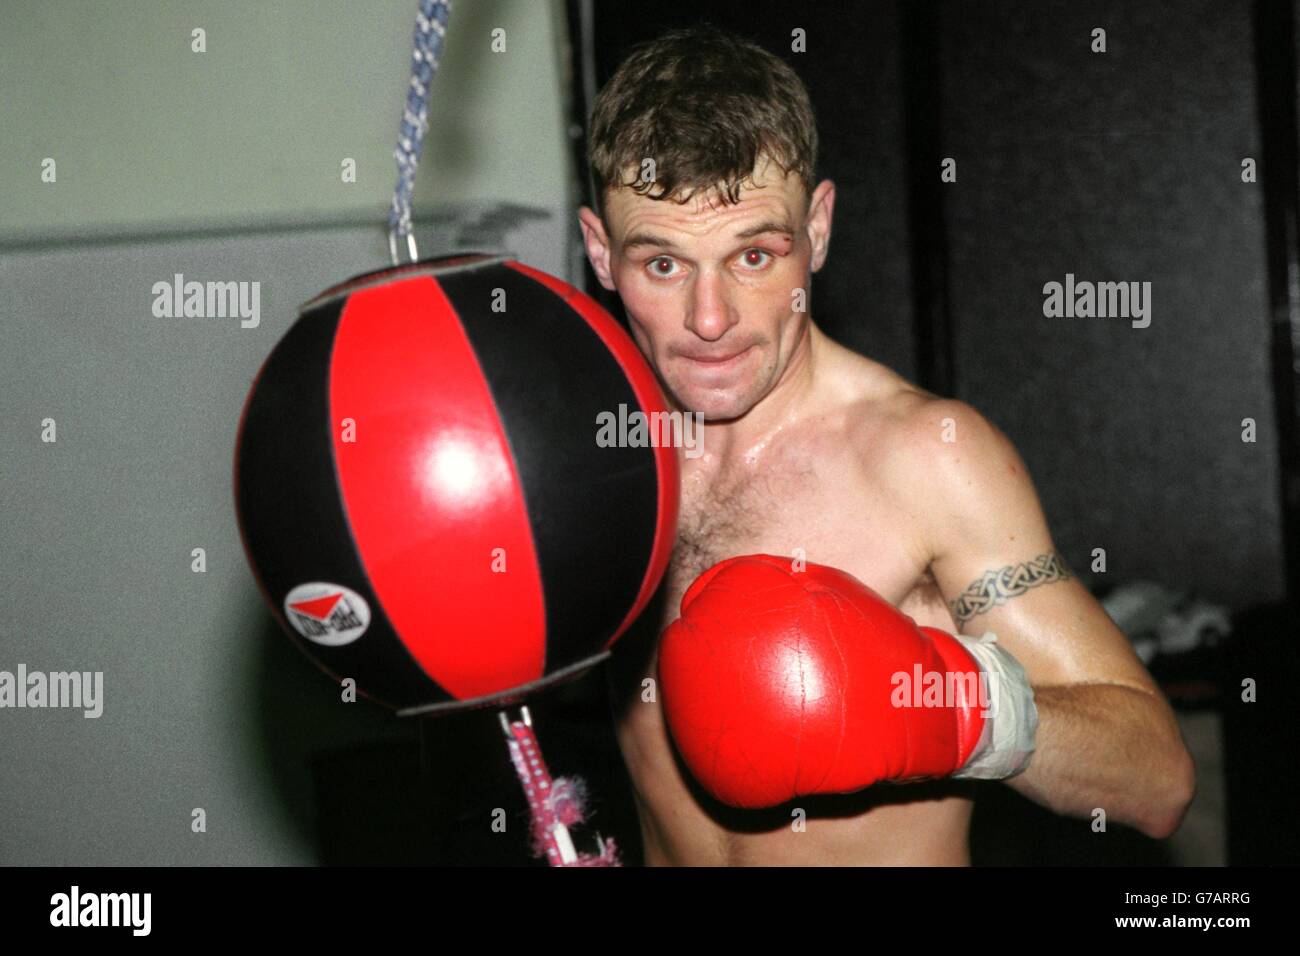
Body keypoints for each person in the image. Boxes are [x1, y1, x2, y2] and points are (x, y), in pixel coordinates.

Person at [577, 26, 1194, 866]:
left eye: (754, 254)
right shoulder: (601, 461)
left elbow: (1157, 778)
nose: (710, 319)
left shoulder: (927, 457)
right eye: (663, 266)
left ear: (819, 230)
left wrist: (959, 712)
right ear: (599, 252)